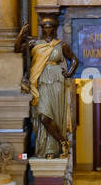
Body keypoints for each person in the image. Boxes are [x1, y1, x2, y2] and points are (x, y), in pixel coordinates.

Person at [15, 16, 79, 158]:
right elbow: (17, 49)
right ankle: (63, 141)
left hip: (57, 83)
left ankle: (52, 150)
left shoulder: (60, 45)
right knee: (44, 116)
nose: (47, 29)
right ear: (41, 28)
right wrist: (22, 33)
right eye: (45, 26)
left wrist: (69, 73)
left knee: (55, 115)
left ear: (55, 28)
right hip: (40, 82)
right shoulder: (34, 43)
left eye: (50, 26)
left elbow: (74, 59)